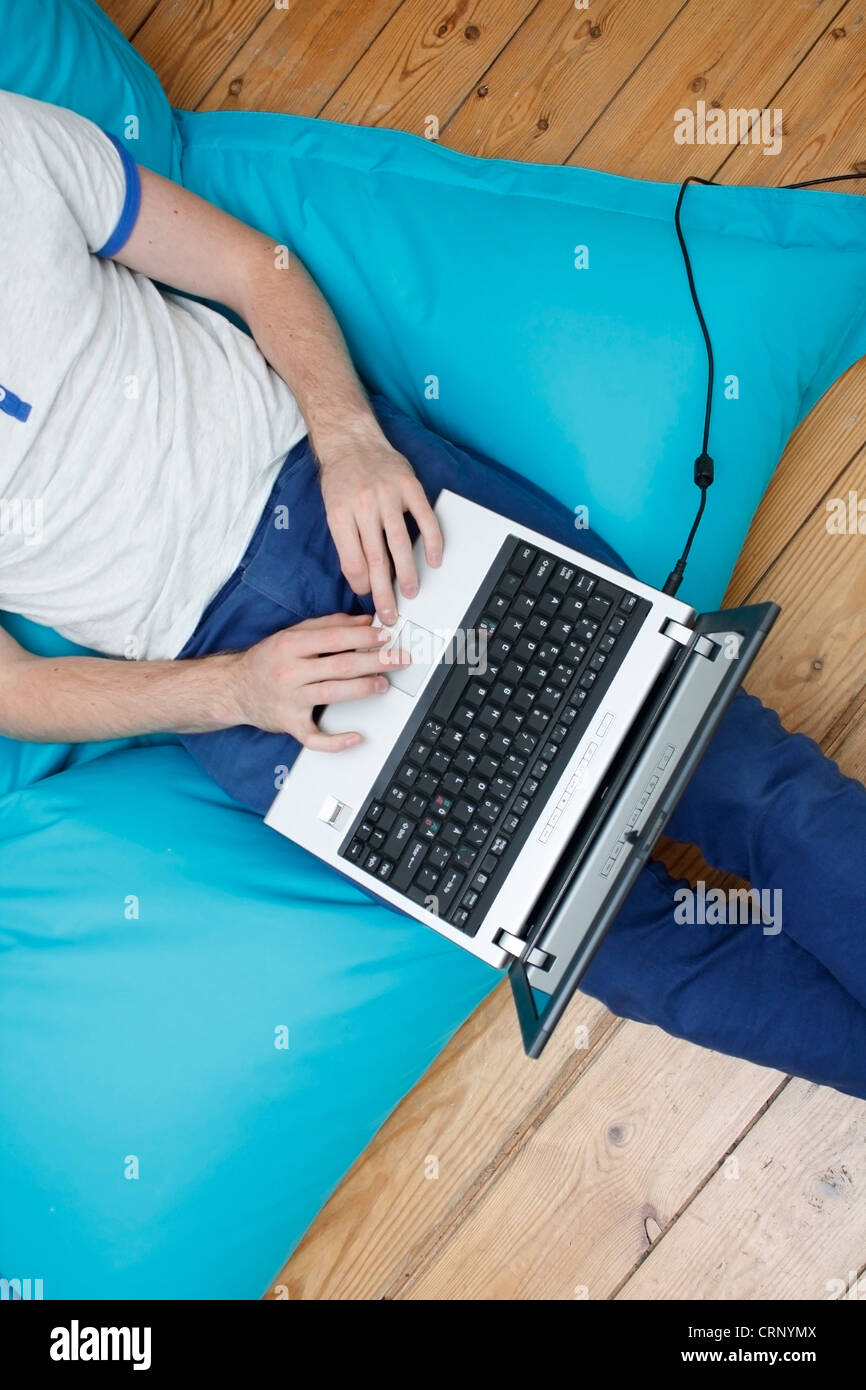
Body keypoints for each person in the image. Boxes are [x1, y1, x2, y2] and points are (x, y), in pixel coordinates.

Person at [2, 91, 865, 1099]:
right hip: (234, 679)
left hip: (347, 491)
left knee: (740, 775)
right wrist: (231, 691)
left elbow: (253, 265)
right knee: (620, 946)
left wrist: (346, 435)